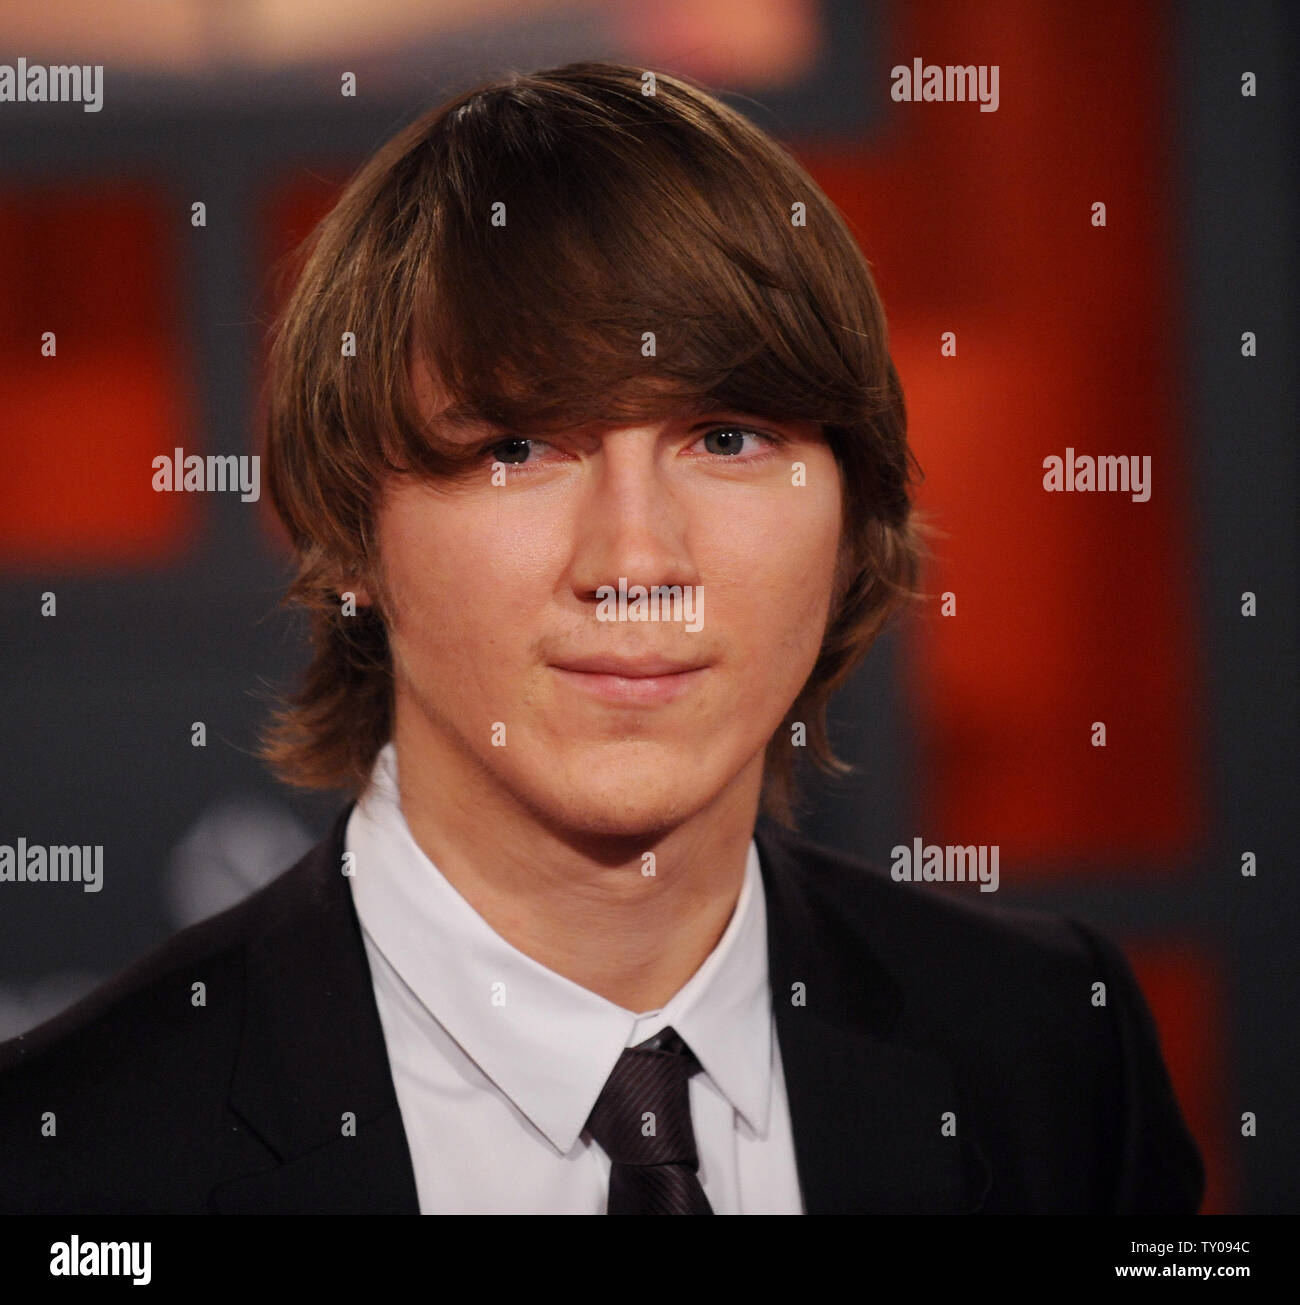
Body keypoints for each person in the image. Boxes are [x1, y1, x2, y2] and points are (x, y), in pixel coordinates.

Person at [0, 61, 1203, 1214]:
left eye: (728, 437)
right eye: (517, 448)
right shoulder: (68, 1158)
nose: (635, 563)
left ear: (854, 515)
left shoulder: (1052, 1048)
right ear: (349, 532)